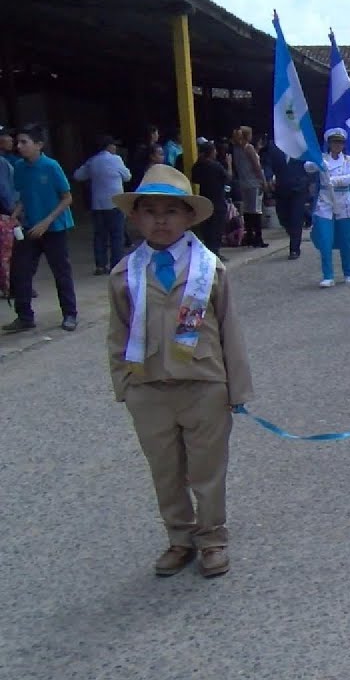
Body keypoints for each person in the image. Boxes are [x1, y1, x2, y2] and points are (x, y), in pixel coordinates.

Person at [106, 164, 253, 578]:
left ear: (189, 217)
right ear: (136, 218)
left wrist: (236, 388)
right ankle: (179, 537)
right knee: (165, 470)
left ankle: (212, 538)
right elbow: (117, 333)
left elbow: (230, 330)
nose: (161, 220)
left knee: (207, 468)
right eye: (150, 211)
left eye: (171, 211)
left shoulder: (210, 269)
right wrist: (125, 385)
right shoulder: (125, 274)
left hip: (204, 384)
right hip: (149, 387)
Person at [4, 124, 78, 334]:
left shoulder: (51, 166)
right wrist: (15, 215)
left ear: (39, 145)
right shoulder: (19, 167)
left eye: (24, 142)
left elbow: (67, 198)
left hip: (54, 228)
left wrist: (46, 222)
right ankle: (25, 316)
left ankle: (70, 314)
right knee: (21, 272)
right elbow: (24, 196)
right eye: (18, 142)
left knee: (61, 272)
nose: (19, 146)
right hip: (29, 228)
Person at [306, 129, 350, 288]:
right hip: (325, 201)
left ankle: (349, 272)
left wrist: (335, 181)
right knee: (325, 239)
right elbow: (307, 166)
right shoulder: (322, 159)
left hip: (343, 200)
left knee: (346, 239)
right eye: (334, 142)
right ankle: (328, 275)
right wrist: (318, 162)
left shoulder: (349, 161)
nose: (337, 145)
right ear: (329, 143)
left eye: (340, 142)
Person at [74, 135, 132, 274]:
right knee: (117, 235)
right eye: (114, 145)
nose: (115, 148)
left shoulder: (92, 161)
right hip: (115, 203)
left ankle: (100, 265)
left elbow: (78, 175)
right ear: (109, 146)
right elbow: (127, 176)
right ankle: (116, 264)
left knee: (100, 236)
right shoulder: (116, 159)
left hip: (98, 205)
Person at [266, 141, 310, 259]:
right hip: (281, 187)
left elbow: (309, 163)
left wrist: (307, 180)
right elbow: (268, 163)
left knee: (296, 218)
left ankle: (294, 249)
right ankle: (294, 233)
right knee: (283, 217)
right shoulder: (274, 146)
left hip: (298, 188)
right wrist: (269, 176)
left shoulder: (300, 145)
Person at [191, 140, 231, 260]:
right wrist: (229, 164)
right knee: (217, 227)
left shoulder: (198, 166)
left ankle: (208, 250)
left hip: (205, 198)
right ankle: (215, 251)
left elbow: (194, 179)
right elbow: (228, 178)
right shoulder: (215, 166)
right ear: (211, 152)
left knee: (207, 227)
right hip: (217, 198)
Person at [230, 126, 268, 248]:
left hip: (244, 182)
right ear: (248, 136)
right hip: (254, 183)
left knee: (247, 210)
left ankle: (250, 236)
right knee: (256, 210)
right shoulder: (249, 148)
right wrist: (263, 181)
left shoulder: (236, 149)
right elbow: (256, 166)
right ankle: (258, 238)